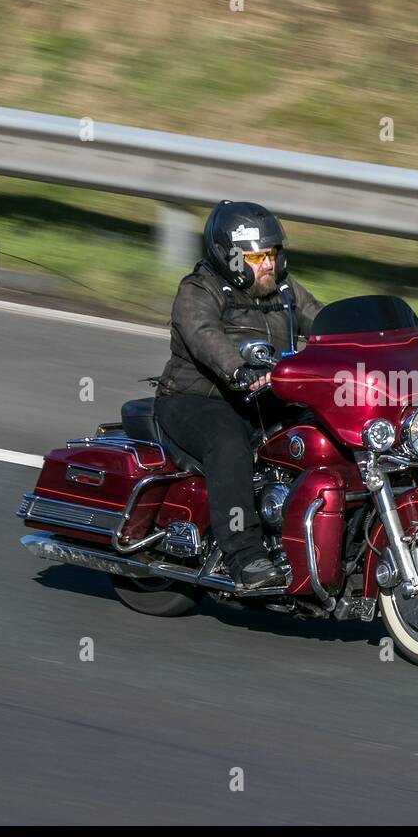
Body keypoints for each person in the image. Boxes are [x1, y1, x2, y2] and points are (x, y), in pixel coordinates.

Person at [155, 200, 323, 588]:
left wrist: (371, 337)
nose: (268, 264)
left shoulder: (283, 290)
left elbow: (325, 320)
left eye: (273, 254)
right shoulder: (198, 290)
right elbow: (203, 336)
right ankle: (244, 556)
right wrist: (239, 368)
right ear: (229, 257)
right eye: (257, 256)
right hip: (196, 399)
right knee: (228, 444)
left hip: (264, 396)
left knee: (322, 434)